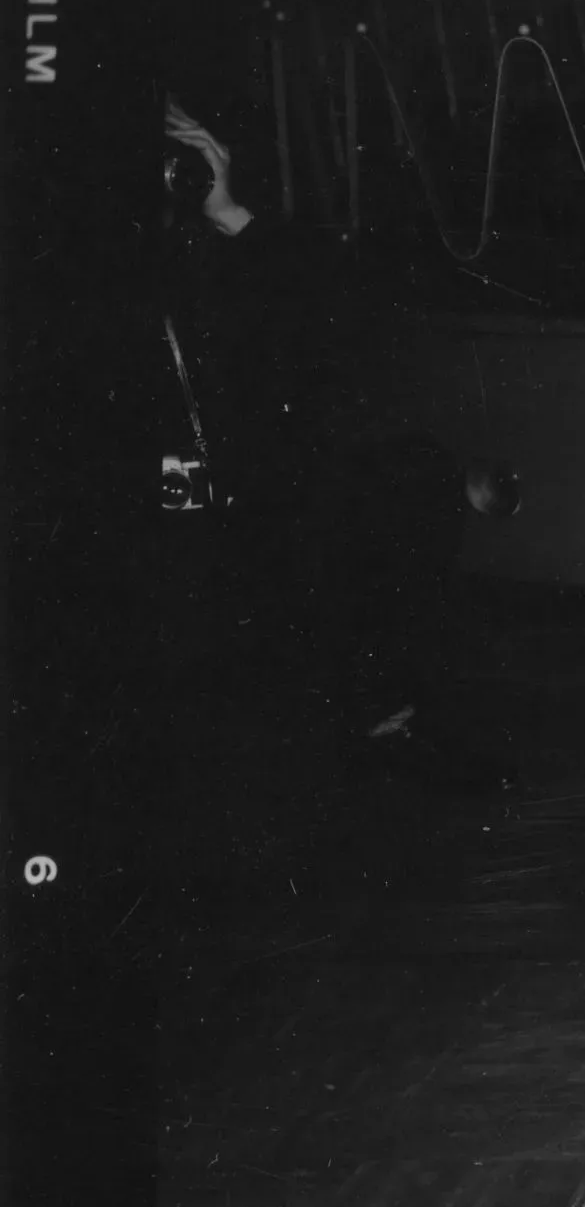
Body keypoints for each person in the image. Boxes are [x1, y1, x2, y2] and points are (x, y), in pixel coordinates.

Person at [161, 94, 488, 794]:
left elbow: (323, 313)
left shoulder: (222, 248)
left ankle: (383, 715)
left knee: (401, 473)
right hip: (178, 487)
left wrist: (228, 214)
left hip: (256, 469)